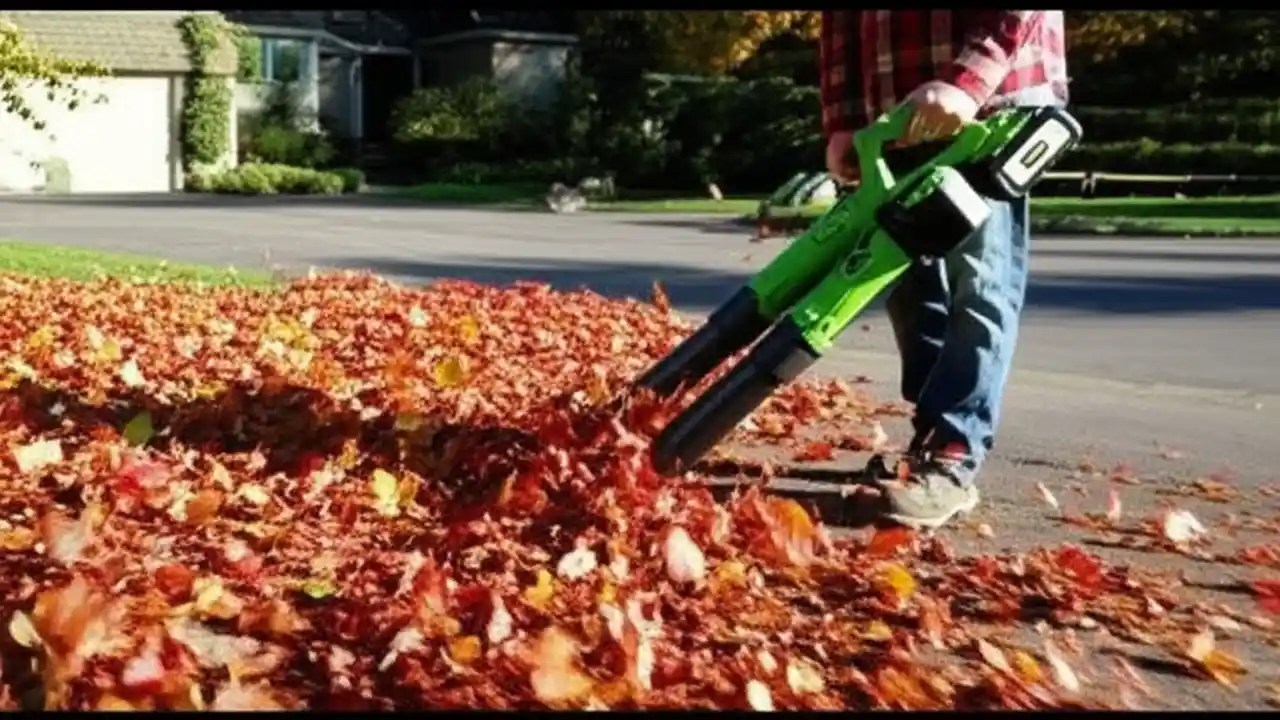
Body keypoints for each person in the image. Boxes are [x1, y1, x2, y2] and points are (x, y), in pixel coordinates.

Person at [818, 11, 1069, 529]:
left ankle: (953, 453)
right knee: (907, 285)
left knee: (978, 280)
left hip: (995, 100)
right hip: (895, 105)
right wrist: (843, 121)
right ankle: (930, 437)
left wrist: (967, 81)